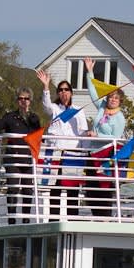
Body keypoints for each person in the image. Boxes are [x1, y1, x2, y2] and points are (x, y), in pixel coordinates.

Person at [35, 70, 88, 219]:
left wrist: (86, 146)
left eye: (66, 90)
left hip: (73, 153)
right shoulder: (55, 108)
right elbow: (46, 106)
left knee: (72, 190)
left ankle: (73, 221)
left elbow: (83, 133)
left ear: (71, 93)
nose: (63, 92)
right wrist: (46, 86)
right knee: (55, 188)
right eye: (60, 90)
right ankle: (53, 220)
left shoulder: (78, 111)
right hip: (56, 153)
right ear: (58, 93)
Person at [83, 57, 126, 216]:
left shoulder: (120, 117)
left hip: (106, 156)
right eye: (111, 97)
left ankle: (106, 218)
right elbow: (93, 93)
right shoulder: (102, 107)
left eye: (116, 98)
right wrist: (90, 72)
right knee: (90, 188)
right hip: (93, 154)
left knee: (104, 189)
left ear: (120, 101)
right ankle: (96, 216)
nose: (112, 100)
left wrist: (97, 134)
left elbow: (115, 138)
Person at [0, 88, 41, 223]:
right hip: (13, 159)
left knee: (27, 190)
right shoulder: (10, 116)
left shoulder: (34, 118)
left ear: (30, 101)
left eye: (26, 99)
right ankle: (12, 220)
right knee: (13, 189)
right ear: (17, 101)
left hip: (28, 158)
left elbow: (38, 133)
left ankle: (26, 220)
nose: (23, 101)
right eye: (21, 98)